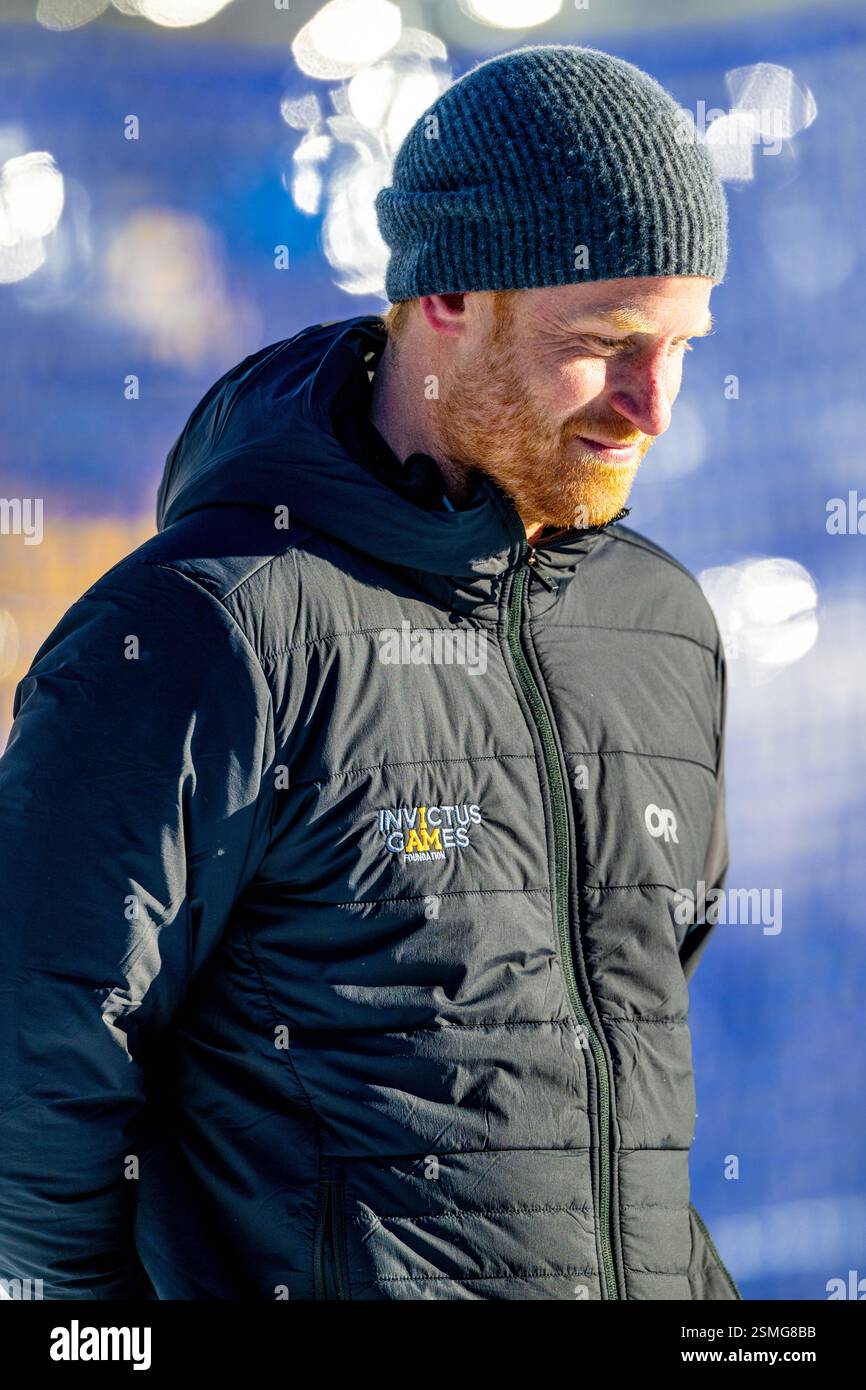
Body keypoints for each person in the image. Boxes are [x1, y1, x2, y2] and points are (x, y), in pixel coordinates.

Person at [0, 43, 741, 1300]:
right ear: (446, 296)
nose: (650, 405)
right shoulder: (207, 631)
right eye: (605, 341)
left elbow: (612, 1077)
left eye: (680, 344)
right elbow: (32, 1070)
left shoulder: (658, 625)